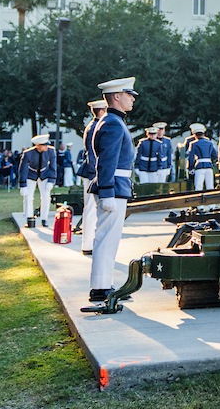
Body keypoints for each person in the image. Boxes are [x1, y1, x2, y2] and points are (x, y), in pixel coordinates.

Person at [87, 77, 137, 305]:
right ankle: (100, 288)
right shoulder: (113, 123)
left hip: (116, 186)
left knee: (108, 240)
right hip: (113, 187)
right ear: (117, 96)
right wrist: (106, 191)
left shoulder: (112, 121)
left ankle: (104, 284)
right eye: (129, 94)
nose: (133, 98)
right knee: (106, 240)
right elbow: (106, 161)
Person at [78, 99, 107, 255]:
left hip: (91, 171)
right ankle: (88, 245)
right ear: (101, 112)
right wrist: (97, 175)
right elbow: (94, 154)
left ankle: (89, 244)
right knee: (90, 209)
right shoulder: (95, 127)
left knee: (91, 209)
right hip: (92, 172)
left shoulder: (93, 125)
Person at [19, 134, 57, 228]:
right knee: (28, 197)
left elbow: (53, 166)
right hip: (31, 174)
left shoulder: (51, 151)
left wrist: (51, 181)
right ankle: (29, 218)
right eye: (44, 145)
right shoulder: (28, 153)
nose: (46, 146)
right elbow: (23, 169)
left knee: (46, 197)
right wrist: (23, 185)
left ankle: (44, 219)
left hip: (44, 174)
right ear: (38, 145)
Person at [186, 123, 218, 192]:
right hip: (209, 166)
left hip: (199, 166)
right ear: (203, 133)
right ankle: (211, 203)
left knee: (198, 187)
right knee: (210, 187)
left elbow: (191, 158)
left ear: (195, 134)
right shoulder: (209, 142)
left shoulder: (193, 143)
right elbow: (215, 155)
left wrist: (190, 168)